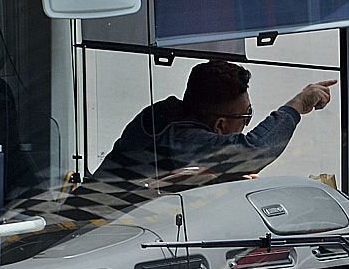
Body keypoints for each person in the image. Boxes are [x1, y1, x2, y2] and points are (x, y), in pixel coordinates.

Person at [90, 60, 335, 186]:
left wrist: (220, 174)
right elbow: (253, 151)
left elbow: (171, 178)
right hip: (88, 231)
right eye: (245, 117)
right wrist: (298, 105)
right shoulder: (177, 137)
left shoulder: (163, 117)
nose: (246, 126)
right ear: (219, 126)